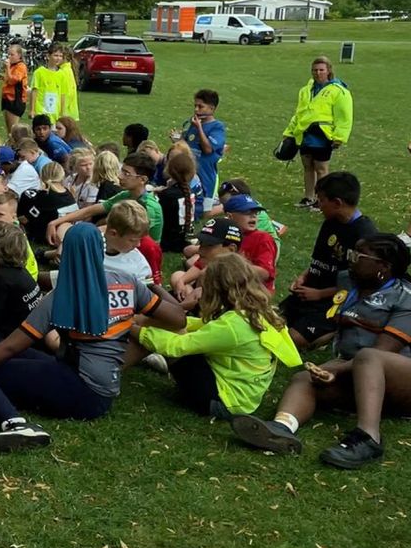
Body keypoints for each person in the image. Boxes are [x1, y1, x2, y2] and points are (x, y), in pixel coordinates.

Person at [0, 223, 186, 451]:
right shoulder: (127, 282)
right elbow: (178, 319)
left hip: (79, 388)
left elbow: (10, 347)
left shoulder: (62, 295)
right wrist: (154, 288)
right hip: (102, 388)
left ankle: (16, 424)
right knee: (6, 354)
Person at [231, 234, 411, 469]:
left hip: (398, 379)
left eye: (358, 256)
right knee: (305, 378)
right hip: (360, 374)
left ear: (383, 267)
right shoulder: (348, 282)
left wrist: (337, 369)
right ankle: (281, 428)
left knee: (369, 356)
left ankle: (369, 437)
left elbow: (383, 351)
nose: (350, 260)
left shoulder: (405, 298)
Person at [138, 253, 302, 418]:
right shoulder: (257, 312)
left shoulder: (233, 326)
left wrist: (135, 330)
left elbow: (176, 346)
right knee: (176, 325)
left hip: (222, 403)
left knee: (176, 333)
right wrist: (170, 317)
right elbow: (202, 325)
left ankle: (125, 352)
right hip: (245, 402)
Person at [280, 171, 378, 349]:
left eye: (321, 200)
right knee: (269, 321)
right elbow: (320, 259)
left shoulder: (364, 236)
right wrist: (304, 276)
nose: (319, 205)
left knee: (293, 339)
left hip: (332, 300)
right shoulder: (330, 223)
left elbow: (358, 283)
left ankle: (335, 330)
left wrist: (319, 294)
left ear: (337, 203)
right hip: (308, 293)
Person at [47, 152, 162, 245]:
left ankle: (54, 253)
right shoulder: (126, 195)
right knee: (65, 226)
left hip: (134, 248)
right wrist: (55, 222)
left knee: (87, 234)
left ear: (143, 179)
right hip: (118, 241)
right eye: (121, 171)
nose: (119, 176)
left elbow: (131, 236)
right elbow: (90, 210)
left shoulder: (149, 206)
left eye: (126, 174)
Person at [283, 56, 353, 209]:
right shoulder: (306, 90)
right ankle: (308, 197)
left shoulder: (339, 91)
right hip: (304, 133)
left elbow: (344, 116)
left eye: (321, 70)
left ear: (328, 71)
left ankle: (321, 200)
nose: (318, 73)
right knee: (307, 166)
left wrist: (339, 137)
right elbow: (299, 113)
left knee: (321, 168)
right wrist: (289, 131)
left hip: (322, 135)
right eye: (315, 70)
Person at [176, 89, 226, 212]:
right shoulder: (191, 124)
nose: (196, 110)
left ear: (212, 108)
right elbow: (184, 145)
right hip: (187, 174)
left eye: (200, 106)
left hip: (205, 177)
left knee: (203, 211)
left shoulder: (217, 127)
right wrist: (178, 141)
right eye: (195, 106)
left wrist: (199, 128)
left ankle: (225, 206)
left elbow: (208, 149)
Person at [19, 163, 77, 246]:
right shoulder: (68, 193)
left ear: (42, 176)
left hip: (48, 239)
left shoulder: (44, 196)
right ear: (62, 176)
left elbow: (25, 219)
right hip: (70, 234)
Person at [29, 43, 68, 121]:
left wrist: (62, 112)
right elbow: (34, 91)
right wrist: (32, 110)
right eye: (55, 55)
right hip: (40, 111)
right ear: (48, 56)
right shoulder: (39, 72)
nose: (58, 58)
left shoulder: (62, 74)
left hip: (55, 113)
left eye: (60, 56)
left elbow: (62, 94)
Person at [1, 44, 29, 134]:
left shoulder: (21, 66)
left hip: (15, 100)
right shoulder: (13, 66)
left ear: (19, 55)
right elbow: (8, 79)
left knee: (13, 130)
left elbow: (13, 80)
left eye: (12, 55)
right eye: (8, 54)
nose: (9, 57)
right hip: (7, 99)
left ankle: (16, 142)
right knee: (9, 130)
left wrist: (8, 68)